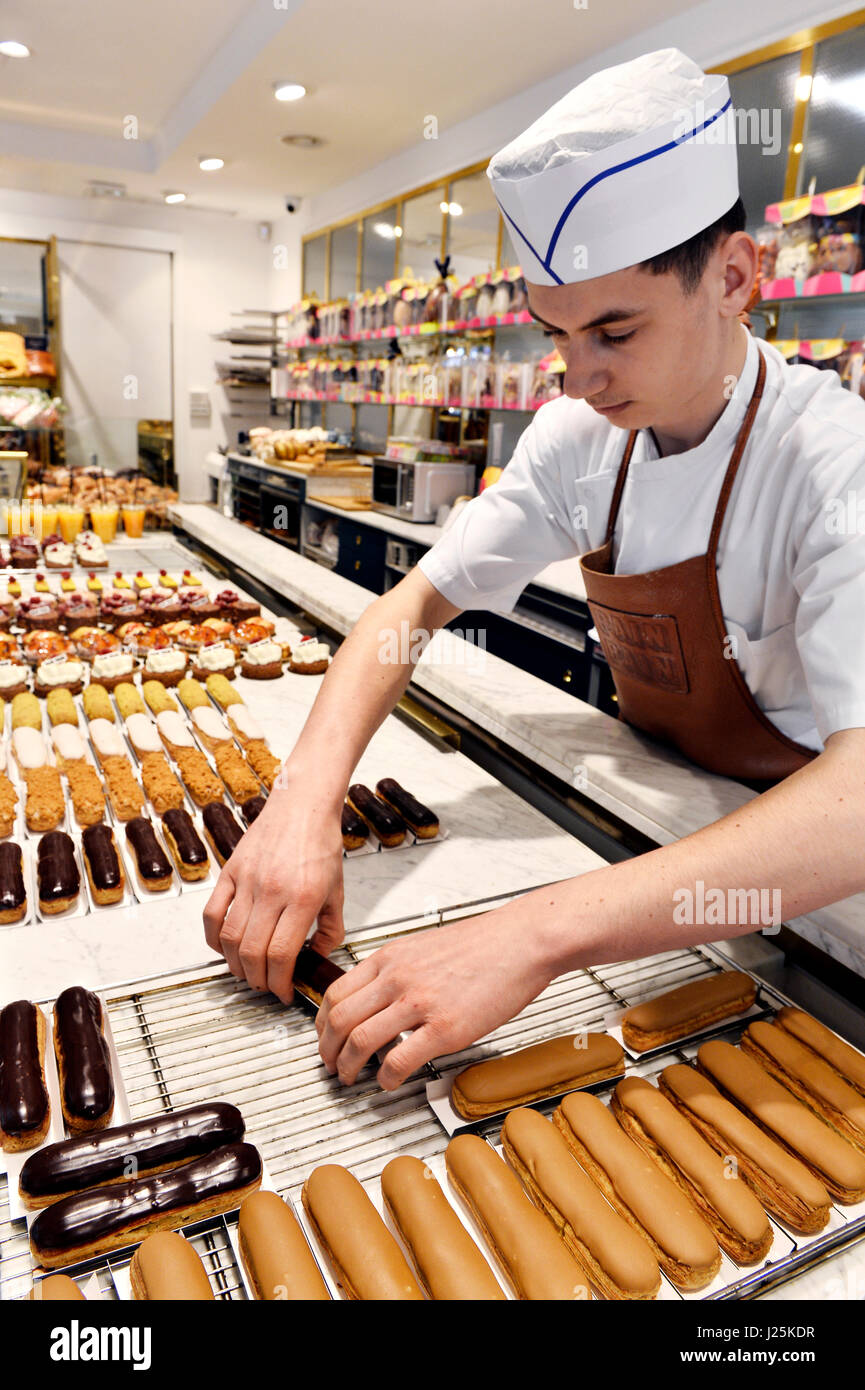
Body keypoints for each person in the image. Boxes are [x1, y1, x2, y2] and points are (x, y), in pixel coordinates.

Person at [204, 48, 865, 1092]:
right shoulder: (577, 439)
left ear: (735, 277)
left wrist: (530, 935)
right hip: (660, 833)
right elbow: (412, 608)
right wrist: (302, 802)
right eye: (554, 334)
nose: (579, 376)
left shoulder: (834, 466)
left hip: (812, 896)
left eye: (613, 330)